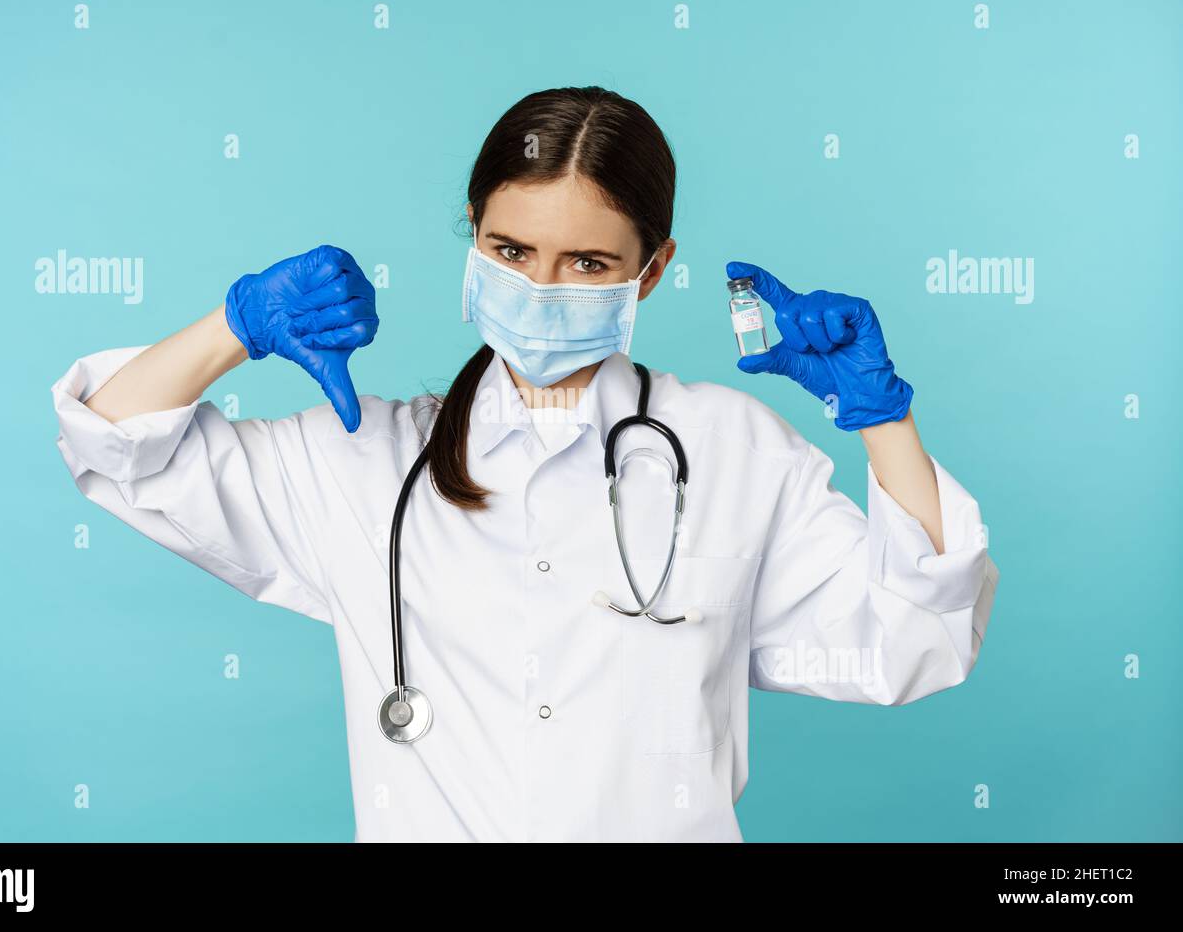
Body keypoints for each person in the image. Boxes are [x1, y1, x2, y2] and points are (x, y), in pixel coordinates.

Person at [50, 86, 999, 842]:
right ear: (473, 238)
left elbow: (910, 642)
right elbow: (115, 447)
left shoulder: (734, 450)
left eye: (588, 263)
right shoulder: (361, 460)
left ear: (653, 269)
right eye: (512, 250)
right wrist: (238, 325)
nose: (541, 288)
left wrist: (882, 418)